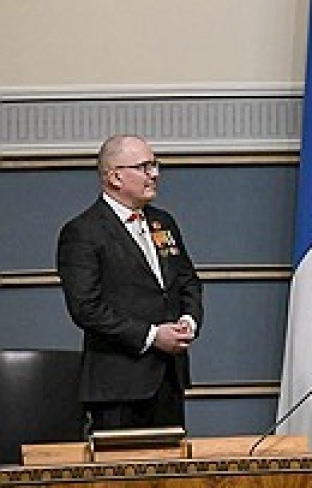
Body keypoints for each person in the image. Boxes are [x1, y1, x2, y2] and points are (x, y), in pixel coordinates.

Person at [57, 134, 203, 431]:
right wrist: (151, 335)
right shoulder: (83, 232)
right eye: (145, 167)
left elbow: (188, 282)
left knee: (171, 475)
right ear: (115, 177)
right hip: (117, 387)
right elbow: (86, 308)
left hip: (169, 380)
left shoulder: (164, 222)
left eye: (155, 165)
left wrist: (188, 320)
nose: (155, 174)